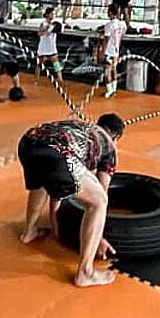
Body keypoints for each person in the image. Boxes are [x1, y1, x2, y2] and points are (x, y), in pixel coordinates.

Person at [18, 113, 125, 287]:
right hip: (58, 153)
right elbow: (101, 191)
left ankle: (29, 232)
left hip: (29, 141)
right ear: (117, 136)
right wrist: (98, 237)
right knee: (99, 202)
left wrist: (55, 226)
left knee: (42, 182)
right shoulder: (110, 147)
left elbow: (56, 189)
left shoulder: (80, 125)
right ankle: (85, 272)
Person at [102, 3, 126, 99]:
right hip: (116, 50)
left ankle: (109, 91)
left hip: (109, 51)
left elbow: (106, 40)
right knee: (114, 70)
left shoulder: (109, 25)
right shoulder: (121, 24)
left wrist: (102, 52)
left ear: (111, 12)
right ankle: (114, 89)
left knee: (107, 71)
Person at [35, 7, 63, 86]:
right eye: (51, 14)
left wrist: (55, 28)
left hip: (52, 46)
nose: (53, 15)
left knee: (56, 63)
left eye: (53, 14)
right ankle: (37, 80)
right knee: (40, 64)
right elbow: (39, 33)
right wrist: (47, 30)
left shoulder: (55, 24)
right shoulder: (43, 24)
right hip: (43, 47)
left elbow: (59, 31)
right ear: (47, 15)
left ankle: (60, 79)